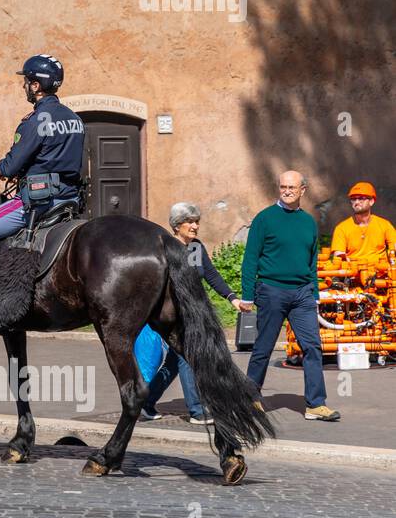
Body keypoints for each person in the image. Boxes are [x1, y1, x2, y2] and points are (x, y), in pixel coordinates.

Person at [0, 54, 84, 331]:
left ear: (37, 86)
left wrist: (4, 167)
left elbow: (13, 164)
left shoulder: (35, 120)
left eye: (27, 82)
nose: (25, 87)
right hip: (69, 201)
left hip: (38, 202)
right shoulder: (75, 119)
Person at [141, 202, 252, 425]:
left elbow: (211, 275)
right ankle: (197, 410)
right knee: (188, 358)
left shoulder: (196, 248)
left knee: (174, 362)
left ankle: (144, 401)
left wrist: (233, 298)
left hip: (193, 313)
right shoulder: (166, 248)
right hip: (173, 314)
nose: (195, 226)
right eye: (189, 222)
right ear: (176, 225)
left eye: (196, 221)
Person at [242, 171, 338, 422]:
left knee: (313, 347)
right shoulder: (265, 219)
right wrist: (247, 295)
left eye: (291, 187)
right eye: (283, 186)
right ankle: (250, 399)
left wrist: (315, 293)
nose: (286, 191)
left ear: (302, 190)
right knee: (263, 347)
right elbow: (250, 258)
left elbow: (312, 259)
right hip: (271, 291)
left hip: (303, 294)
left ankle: (315, 404)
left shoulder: (308, 222)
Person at [329, 181, 396, 267]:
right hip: (352, 275)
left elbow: (394, 246)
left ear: (371, 201)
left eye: (361, 198)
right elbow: (338, 256)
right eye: (353, 199)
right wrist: (343, 258)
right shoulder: (342, 228)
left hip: (381, 275)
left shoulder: (384, 225)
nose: (356, 202)